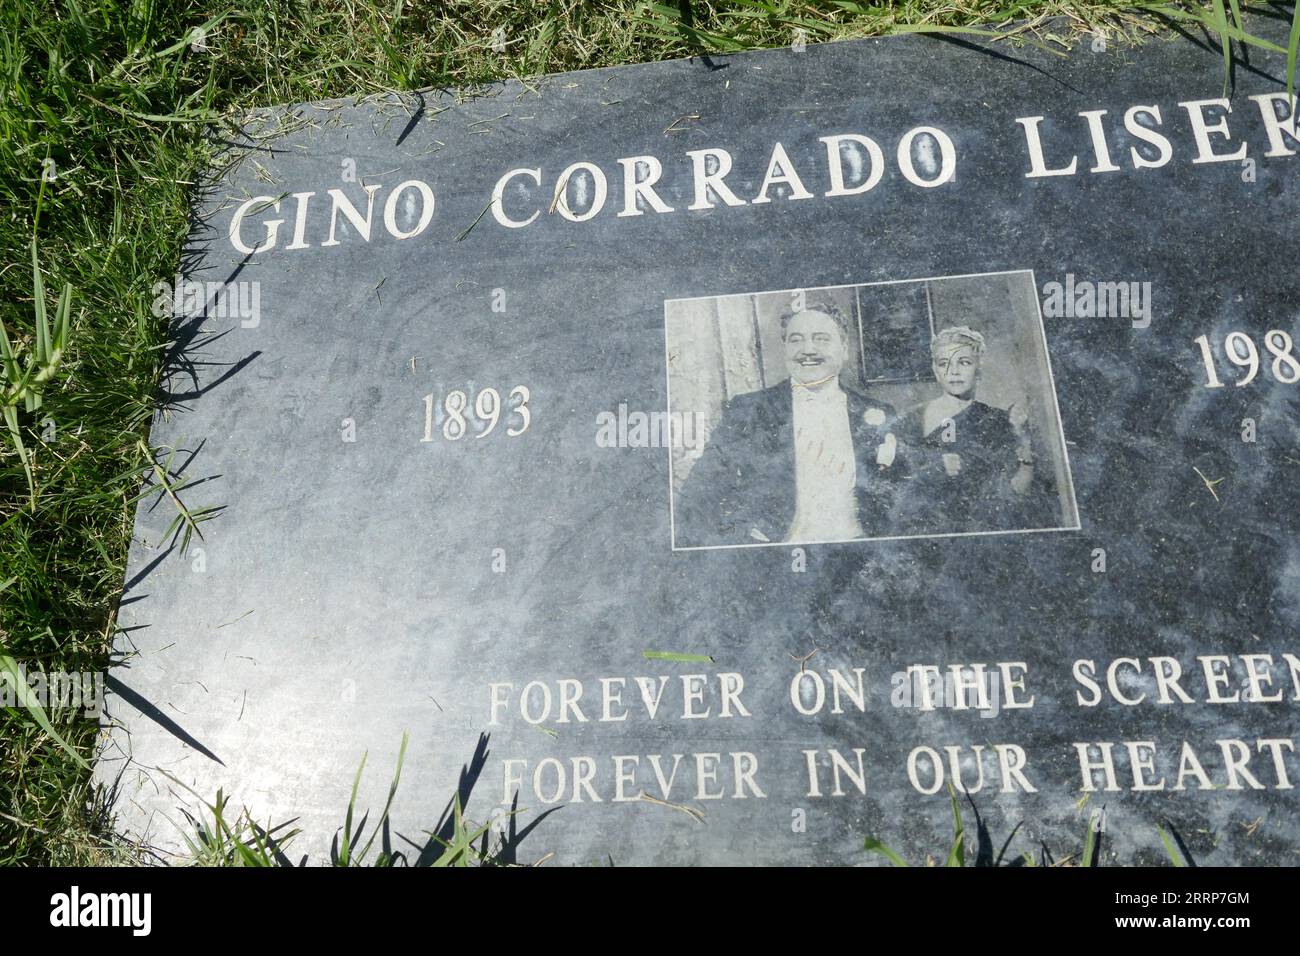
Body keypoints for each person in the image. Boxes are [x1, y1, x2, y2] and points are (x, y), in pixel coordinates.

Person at [675, 307, 907, 547]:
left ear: (844, 348)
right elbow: (699, 492)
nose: (808, 350)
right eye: (796, 340)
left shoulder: (878, 412)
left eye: (821, 339)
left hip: (858, 552)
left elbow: (902, 493)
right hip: (778, 557)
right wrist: (743, 537)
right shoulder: (750, 410)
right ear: (786, 348)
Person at [894, 326, 1035, 532]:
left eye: (964, 362)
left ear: (979, 368)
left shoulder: (997, 420)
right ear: (935, 370)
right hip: (925, 530)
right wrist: (934, 467)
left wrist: (1023, 440)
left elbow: (1015, 491)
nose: (954, 371)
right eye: (944, 363)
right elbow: (895, 488)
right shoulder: (911, 418)